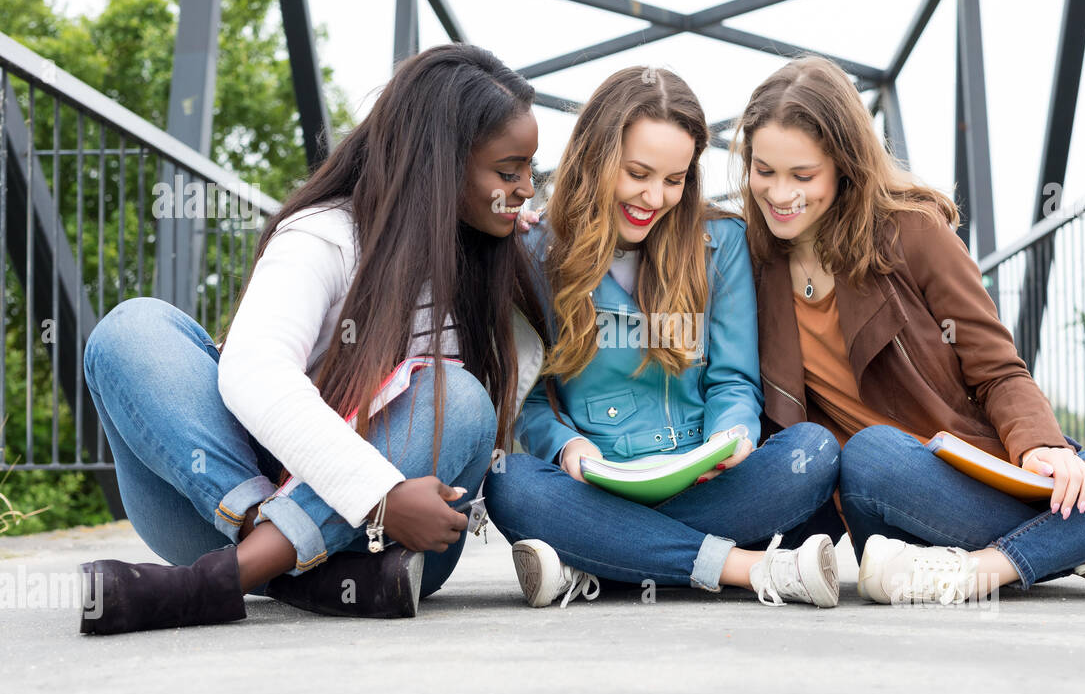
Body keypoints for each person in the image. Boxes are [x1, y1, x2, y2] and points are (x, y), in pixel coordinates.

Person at [78, 44, 546, 634]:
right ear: (442, 162)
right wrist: (376, 493)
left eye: (531, 170)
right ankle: (290, 567)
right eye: (510, 171)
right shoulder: (326, 235)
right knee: (131, 329)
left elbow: (613, 240)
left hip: (395, 543)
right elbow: (254, 371)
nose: (527, 187)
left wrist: (532, 250)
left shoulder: (507, 253)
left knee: (458, 395)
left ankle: (221, 579)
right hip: (223, 509)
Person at [737, 55, 1085, 606]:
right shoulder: (748, 265)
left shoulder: (912, 233)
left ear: (845, 166)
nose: (781, 194)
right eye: (765, 171)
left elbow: (995, 366)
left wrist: (1042, 446)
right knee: (869, 453)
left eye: (802, 176)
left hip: (993, 472)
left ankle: (986, 568)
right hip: (894, 494)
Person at [484, 66, 842, 609]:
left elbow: (733, 380)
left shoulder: (721, 242)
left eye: (674, 180)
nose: (654, 197)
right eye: (637, 173)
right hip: (596, 482)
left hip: (706, 475)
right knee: (510, 485)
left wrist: (733, 438)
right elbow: (530, 400)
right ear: (596, 157)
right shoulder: (535, 252)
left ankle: (600, 557)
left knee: (813, 452)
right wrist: (568, 449)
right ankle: (745, 567)